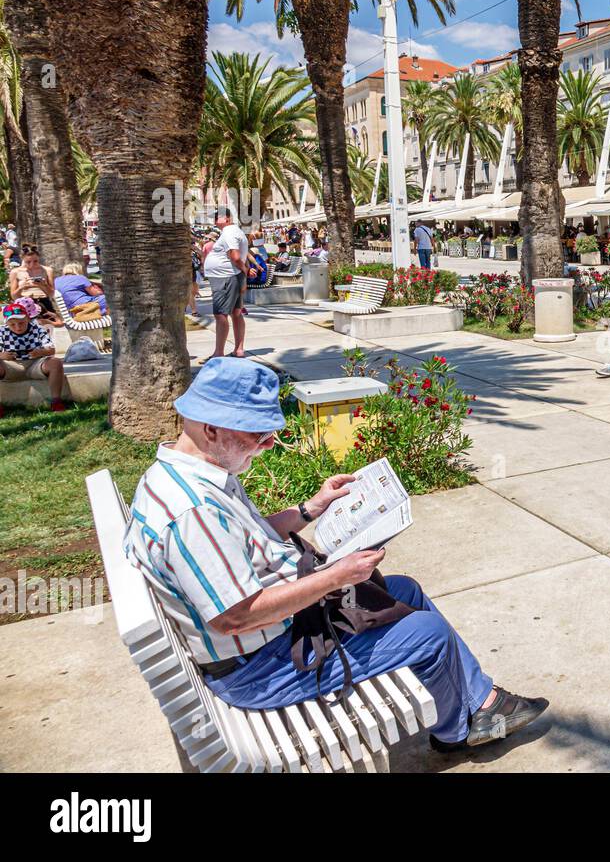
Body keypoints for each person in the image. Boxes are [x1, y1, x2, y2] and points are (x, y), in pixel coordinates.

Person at [123, 359, 548, 749]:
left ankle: (483, 702)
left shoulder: (192, 474)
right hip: (258, 668)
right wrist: (335, 576)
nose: (270, 443)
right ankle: (456, 734)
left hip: (269, 638)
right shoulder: (192, 513)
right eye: (258, 433)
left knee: (405, 590)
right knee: (428, 633)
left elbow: (241, 539)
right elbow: (236, 615)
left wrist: (310, 508)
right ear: (211, 428)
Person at [0, 299, 66, 414]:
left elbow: (51, 349)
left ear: (27, 318)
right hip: (10, 367)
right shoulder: (2, 331)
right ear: (6, 323)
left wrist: (41, 352)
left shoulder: (38, 329)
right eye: (12, 324)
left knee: (55, 362)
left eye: (21, 323)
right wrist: (2, 355)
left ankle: (56, 401)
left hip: (34, 364)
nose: (17, 327)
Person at [202, 218, 251, 363]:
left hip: (225, 277)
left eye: (219, 217)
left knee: (220, 314)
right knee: (236, 313)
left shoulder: (229, 232)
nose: (215, 220)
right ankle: (238, 349)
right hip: (229, 276)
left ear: (227, 219)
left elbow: (235, 256)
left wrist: (244, 270)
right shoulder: (233, 232)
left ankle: (219, 353)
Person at [8, 247, 61, 326]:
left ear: (39, 258)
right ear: (22, 259)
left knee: (48, 329)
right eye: (28, 262)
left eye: (35, 261)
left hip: (43, 303)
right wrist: (21, 287)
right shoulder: (15, 272)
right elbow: (14, 296)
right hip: (25, 304)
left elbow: (51, 294)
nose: (32, 265)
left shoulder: (47, 270)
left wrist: (43, 285)